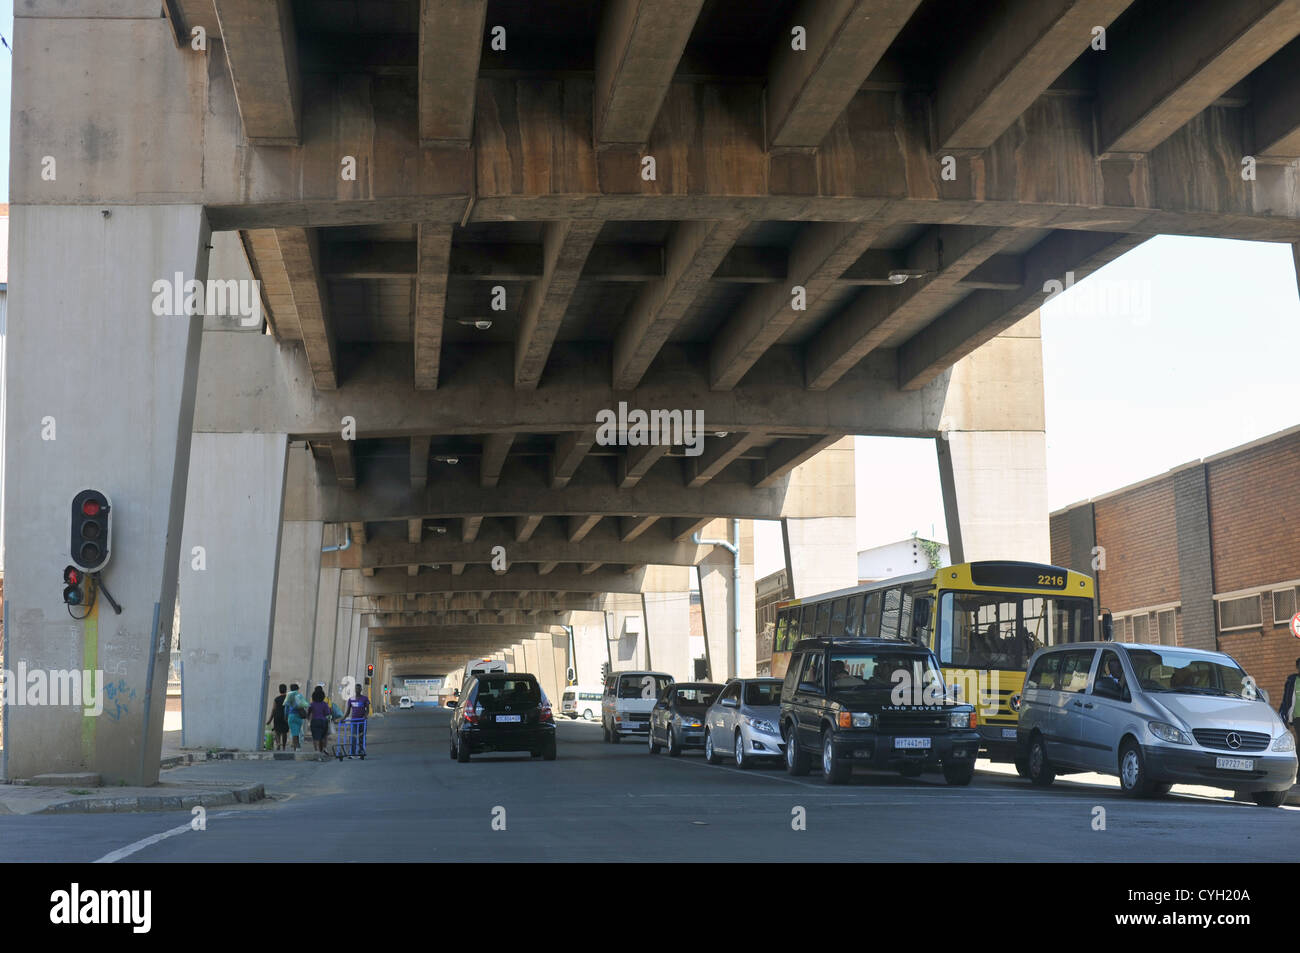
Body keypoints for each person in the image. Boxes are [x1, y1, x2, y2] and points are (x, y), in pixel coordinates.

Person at [343, 683, 371, 757]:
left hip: (362, 720)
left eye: (359, 688)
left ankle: (361, 751)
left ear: (361, 689)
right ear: (354, 690)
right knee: (353, 737)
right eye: (356, 689)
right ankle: (352, 752)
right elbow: (348, 711)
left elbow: (367, 710)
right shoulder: (351, 699)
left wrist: (365, 716)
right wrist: (343, 718)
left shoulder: (365, 699)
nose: (357, 690)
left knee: (361, 737)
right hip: (354, 721)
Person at [307, 685, 333, 759]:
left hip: (314, 721)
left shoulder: (312, 704)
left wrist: (308, 718)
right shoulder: (325, 704)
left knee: (315, 737)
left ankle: (316, 751)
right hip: (323, 722)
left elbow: (308, 713)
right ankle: (323, 749)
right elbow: (328, 713)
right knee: (323, 737)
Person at [1278, 658, 1300, 741]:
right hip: (1297, 716)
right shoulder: (1292, 681)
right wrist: (1284, 716)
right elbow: (1286, 699)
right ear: (1297, 667)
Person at [284, 683, 307, 751]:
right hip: (299, 717)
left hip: (292, 716)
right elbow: (304, 705)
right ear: (297, 689)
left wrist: (285, 716)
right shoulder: (300, 696)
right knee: (297, 731)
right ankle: (297, 745)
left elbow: (286, 708)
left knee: (294, 732)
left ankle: (296, 746)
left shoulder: (289, 696)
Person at [266, 683, 289, 751]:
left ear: (279, 690)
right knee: (284, 732)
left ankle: (278, 743)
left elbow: (273, 709)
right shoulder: (288, 699)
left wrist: (270, 719)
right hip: (285, 717)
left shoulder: (276, 699)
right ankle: (284, 747)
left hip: (277, 716)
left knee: (277, 731)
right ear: (286, 690)